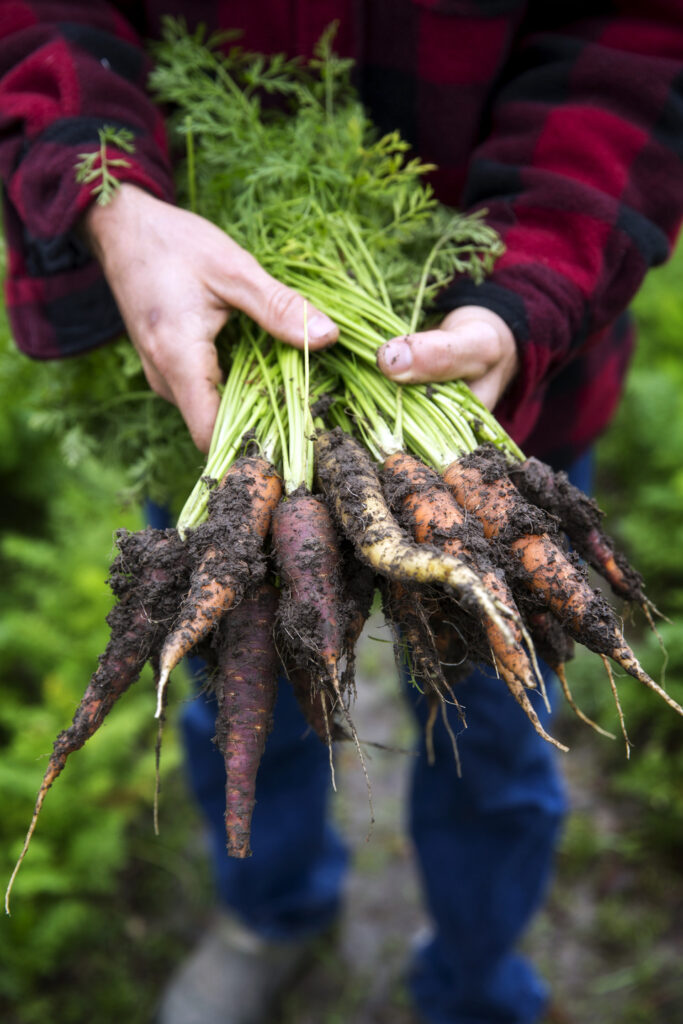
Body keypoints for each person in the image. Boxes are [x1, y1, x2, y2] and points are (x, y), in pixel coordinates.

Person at [2, 3, 682, 1023]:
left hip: (497, 375)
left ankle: (475, 974)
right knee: (241, 688)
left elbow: (634, 48)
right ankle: (269, 912)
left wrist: (522, 302)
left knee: (501, 721)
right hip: (205, 374)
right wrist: (112, 202)